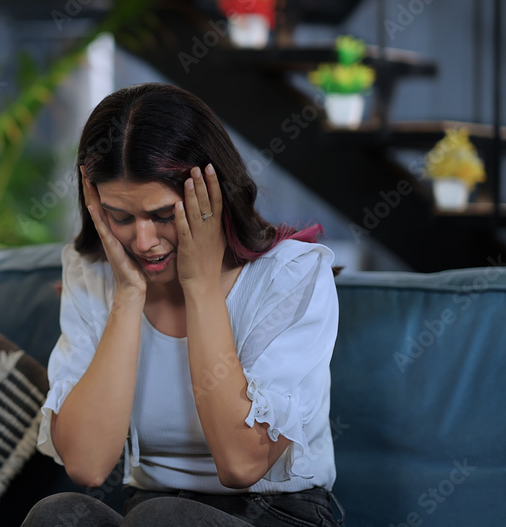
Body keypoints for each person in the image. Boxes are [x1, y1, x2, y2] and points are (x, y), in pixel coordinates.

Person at [21, 83, 343, 526]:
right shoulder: (93, 274)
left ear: (214, 196)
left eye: (163, 216)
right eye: (120, 217)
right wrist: (129, 295)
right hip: (148, 513)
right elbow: (88, 466)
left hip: (276, 514)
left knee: (164, 517)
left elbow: (242, 464)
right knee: (59, 516)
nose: (143, 241)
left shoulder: (293, 275)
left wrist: (202, 286)